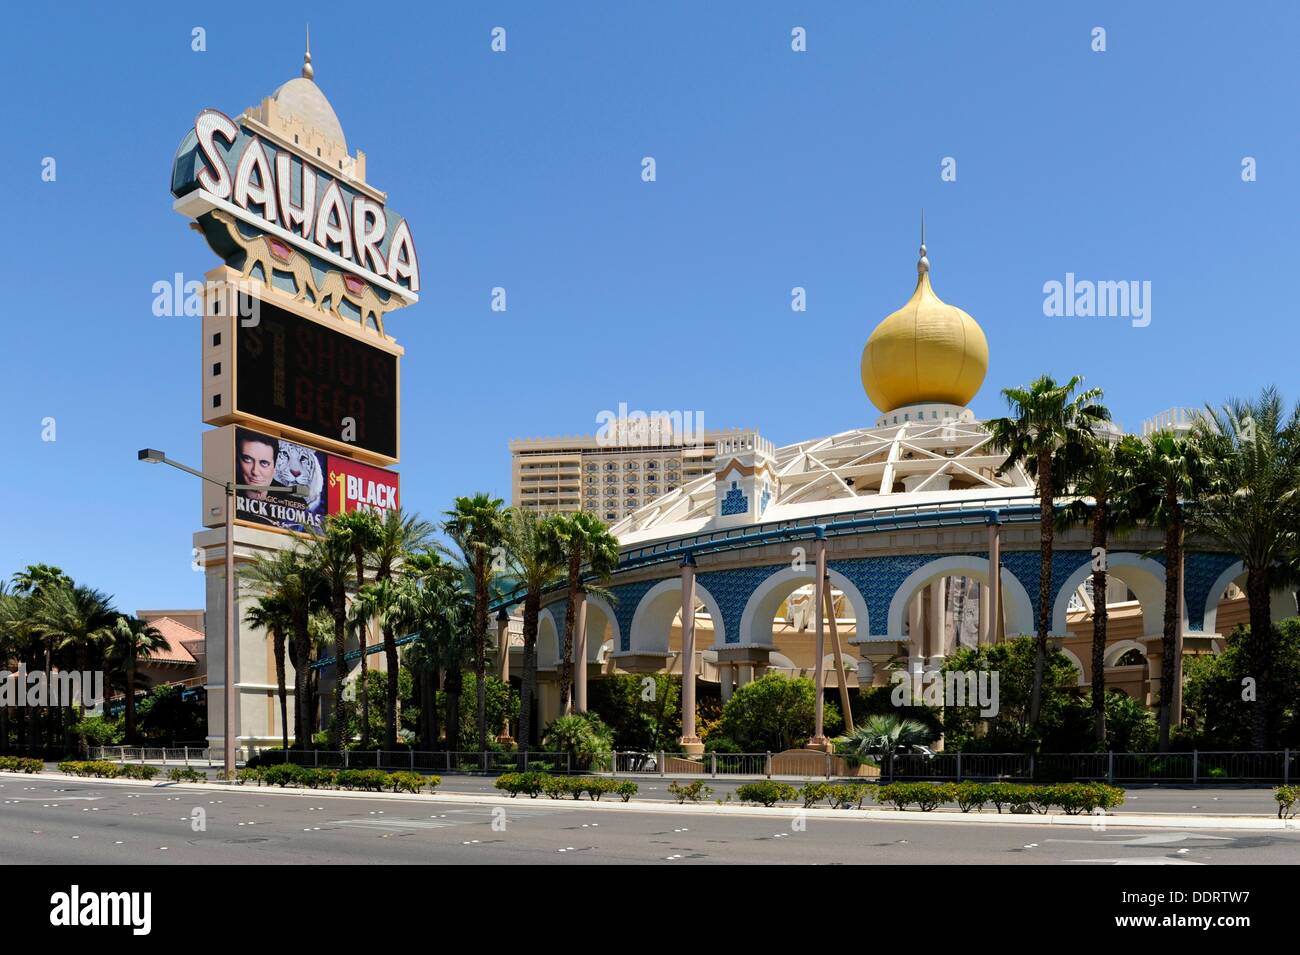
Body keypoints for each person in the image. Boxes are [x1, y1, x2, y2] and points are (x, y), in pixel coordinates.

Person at [237, 432, 278, 501]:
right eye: (248, 459)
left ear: (274, 468)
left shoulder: (294, 502)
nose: (255, 472)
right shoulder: (225, 494)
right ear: (237, 460)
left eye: (264, 463)